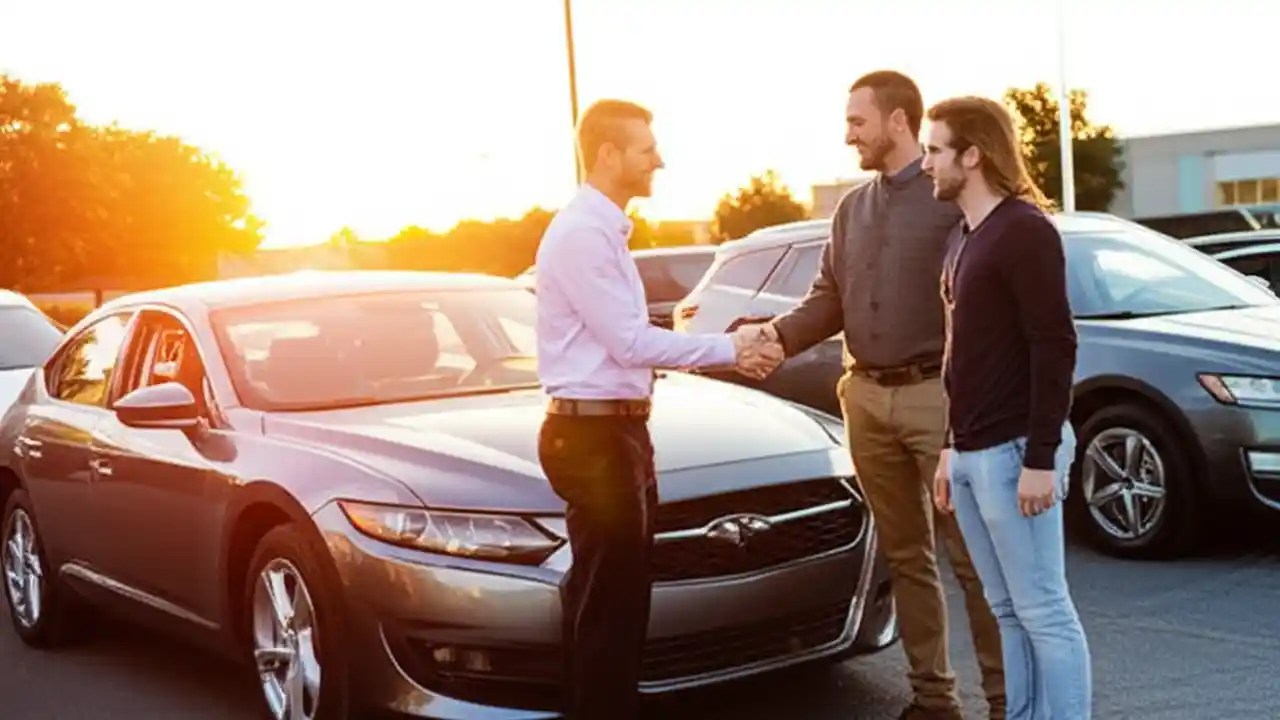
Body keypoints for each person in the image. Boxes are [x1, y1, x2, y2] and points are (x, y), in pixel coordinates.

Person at [750, 71, 1005, 720]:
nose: (848, 136)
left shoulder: (950, 197)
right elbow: (827, 298)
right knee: (905, 558)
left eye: (857, 122)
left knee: (973, 561)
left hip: (937, 400)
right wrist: (776, 335)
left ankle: (1008, 702)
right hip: (864, 397)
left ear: (898, 121)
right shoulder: (851, 209)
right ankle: (934, 701)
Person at [534, 98, 782, 720]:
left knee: (611, 599)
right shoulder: (582, 234)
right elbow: (630, 343)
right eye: (647, 150)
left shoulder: (604, 230)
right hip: (592, 439)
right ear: (608, 154)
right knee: (610, 607)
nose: (659, 160)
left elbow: (627, 339)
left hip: (614, 432)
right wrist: (732, 348)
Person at [923, 95, 1091, 720]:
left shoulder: (1023, 230)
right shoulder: (964, 237)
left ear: (972, 155)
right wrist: (949, 446)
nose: (926, 163)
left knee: (1045, 610)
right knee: (1007, 611)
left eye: (935, 150)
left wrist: (1041, 457)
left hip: (1017, 450)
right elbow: (961, 356)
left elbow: (1054, 345)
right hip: (971, 453)